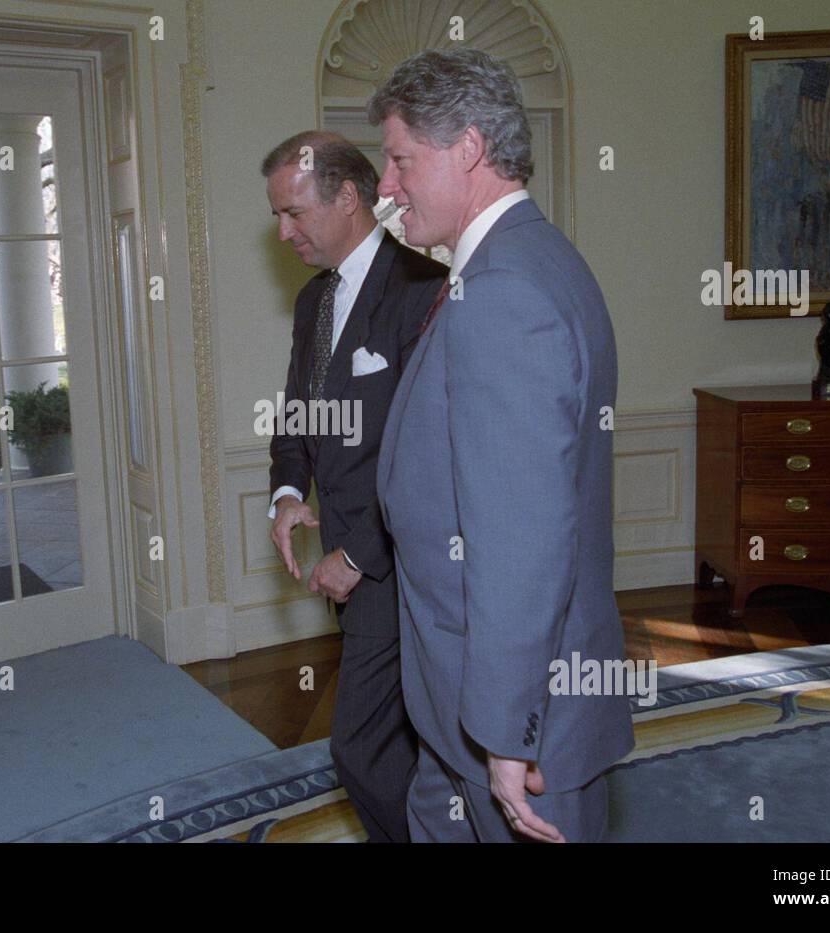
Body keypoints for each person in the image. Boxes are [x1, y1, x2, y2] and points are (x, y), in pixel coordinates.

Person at [369, 49, 635, 843]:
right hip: (461, 691)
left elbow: (522, 539)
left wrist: (505, 732)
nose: (386, 186)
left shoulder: (506, 288)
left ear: (468, 148)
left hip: (516, 716)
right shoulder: (523, 258)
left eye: (400, 160)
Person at [262, 131, 446, 842]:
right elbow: (299, 414)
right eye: (277, 216)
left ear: (346, 197)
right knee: (404, 744)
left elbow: (430, 452)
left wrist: (360, 554)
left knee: (361, 749)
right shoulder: (315, 301)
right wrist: (287, 493)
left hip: (406, 566)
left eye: (294, 213)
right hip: (350, 558)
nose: (284, 233)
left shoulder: (424, 290)